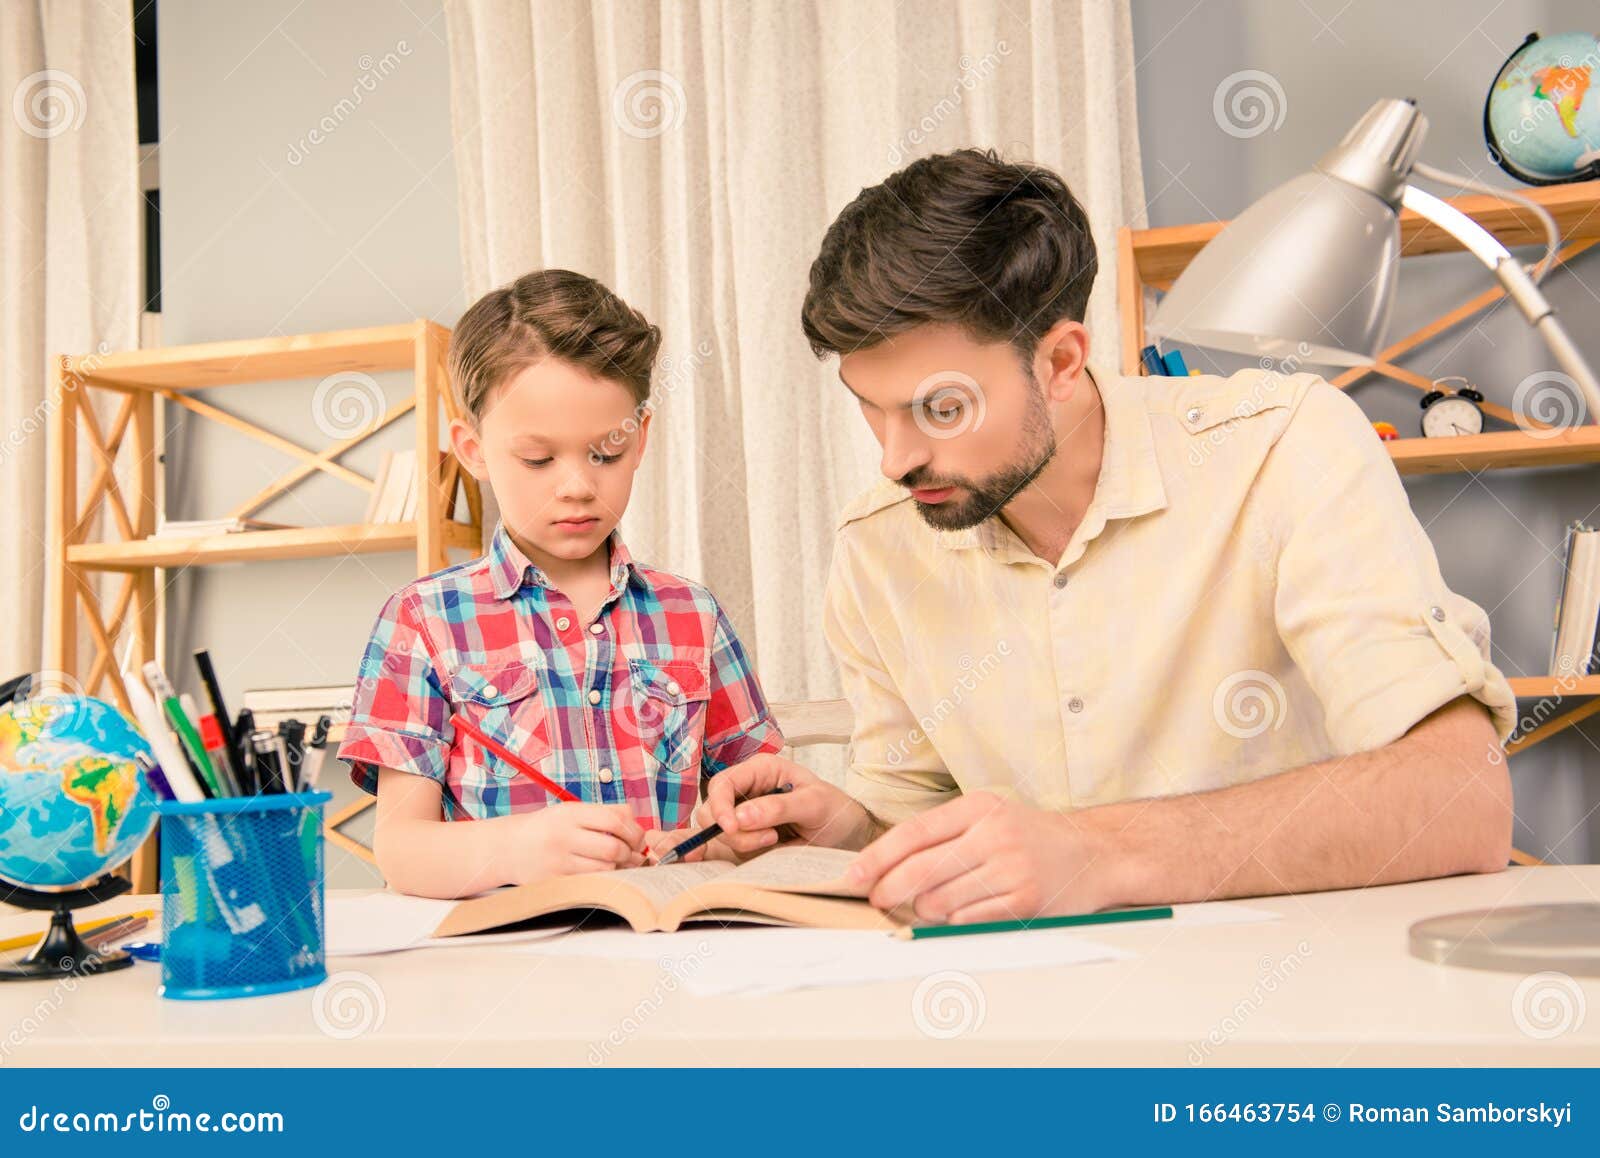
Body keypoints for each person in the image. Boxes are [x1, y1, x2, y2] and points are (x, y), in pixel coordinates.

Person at [691, 149, 1516, 926]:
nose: (896, 457)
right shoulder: (880, 550)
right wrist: (854, 830)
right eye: (871, 407)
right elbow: (923, 820)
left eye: (941, 409)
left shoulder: (1282, 451)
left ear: (1059, 361)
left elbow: (1460, 800)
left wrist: (1094, 853)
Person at [336, 269, 784, 898]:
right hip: (503, 971)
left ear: (641, 439)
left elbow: (766, 791)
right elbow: (400, 849)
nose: (576, 485)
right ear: (474, 450)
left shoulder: (692, 614)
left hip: (668, 946)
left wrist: (730, 829)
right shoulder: (423, 620)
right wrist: (516, 849)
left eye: (605, 453)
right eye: (539, 460)